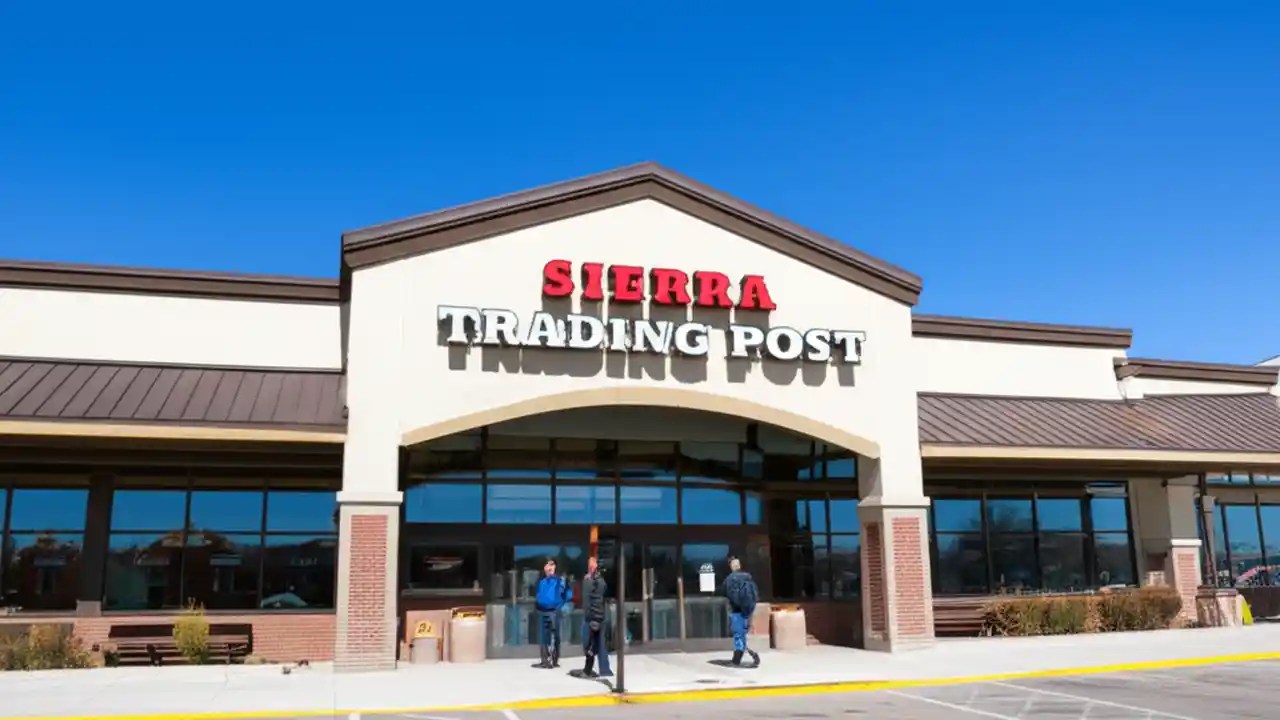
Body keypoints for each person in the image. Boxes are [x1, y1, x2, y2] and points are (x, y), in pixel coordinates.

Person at [722, 555, 760, 667]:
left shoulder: (730, 579)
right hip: (748, 610)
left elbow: (727, 594)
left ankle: (737, 659)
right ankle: (741, 656)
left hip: (737, 610)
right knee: (743, 633)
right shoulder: (748, 577)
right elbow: (755, 594)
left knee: (738, 634)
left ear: (731, 566)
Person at [535, 557, 572, 668]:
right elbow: (537, 593)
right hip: (542, 610)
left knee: (554, 637)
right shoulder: (540, 580)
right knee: (543, 637)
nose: (550, 567)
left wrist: (561, 606)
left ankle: (554, 660)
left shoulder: (559, 580)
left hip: (554, 611)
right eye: (548, 565)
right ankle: (545, 660)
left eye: (552, 565)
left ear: (555, 567)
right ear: (544, 567)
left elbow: (568, 594)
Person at [580, 555, 612, 678]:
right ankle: (604, 670)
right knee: (599, 644)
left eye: (591, 565)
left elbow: (592, 600)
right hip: (598, 616)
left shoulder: (594, 581)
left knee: (588, 645)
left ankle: (588, 670)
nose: (590, 567)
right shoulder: (598, 581)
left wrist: (593, 618)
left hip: (593, 617)